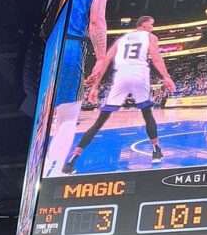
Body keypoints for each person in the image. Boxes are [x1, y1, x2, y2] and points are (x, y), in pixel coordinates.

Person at [63, 15, 175, 172]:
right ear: (143, 25)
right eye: (151, 25)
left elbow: (105, 61)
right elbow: (156, 58)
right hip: (139, 74)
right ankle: (156, 150)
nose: (152, 28)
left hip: (121, 77)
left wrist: (95, 86)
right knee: (147, 114)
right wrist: (166, 77)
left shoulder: (121, 39)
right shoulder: (150, 37)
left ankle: (72, 160)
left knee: (99, 122)